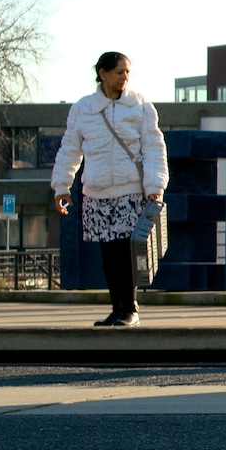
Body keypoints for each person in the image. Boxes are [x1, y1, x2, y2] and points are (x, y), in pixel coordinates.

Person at [50, 51, 166, 327]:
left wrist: (155, 186)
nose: (125, 77)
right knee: (109, 253)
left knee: (127, 250)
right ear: (102, 74)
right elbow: (70, 149)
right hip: (97, 192)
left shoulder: (141, 107)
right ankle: (116, 309)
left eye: (127, 72)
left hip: (130, 191)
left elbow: (154, 147)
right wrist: (61, 186)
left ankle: (130, 308)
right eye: (119, 72)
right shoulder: (83, 109)